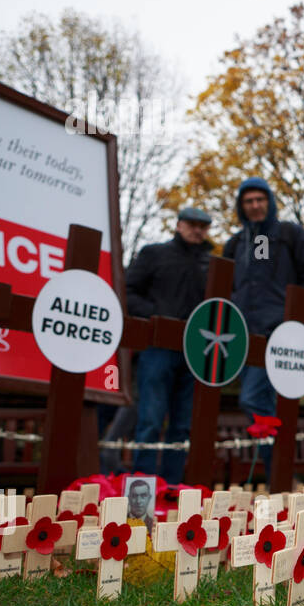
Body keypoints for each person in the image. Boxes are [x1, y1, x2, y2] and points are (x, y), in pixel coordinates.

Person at [222, 177, 304, 479]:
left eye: (260, 199)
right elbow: (226, 286)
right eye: (248, 201)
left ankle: (280, 472)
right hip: (243, 337)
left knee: (252, 399)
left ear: (269, 201)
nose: (255, 206)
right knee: (265, 402)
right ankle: (278, 476)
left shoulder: (288, 235)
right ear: (241, 207)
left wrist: (292, 320)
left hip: (278, 336)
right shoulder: (237, 243)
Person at [124, 206, 213, 484]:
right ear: (178, 225)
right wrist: (156, 317)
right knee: (150, 418)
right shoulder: (155, 254)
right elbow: (127, 291)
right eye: (191, 223)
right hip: (157, 348)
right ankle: (143, 489)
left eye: (203, 225)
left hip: (195, 354)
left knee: (182, 425)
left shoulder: (212, 265)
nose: (197, 229)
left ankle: (173, 488)